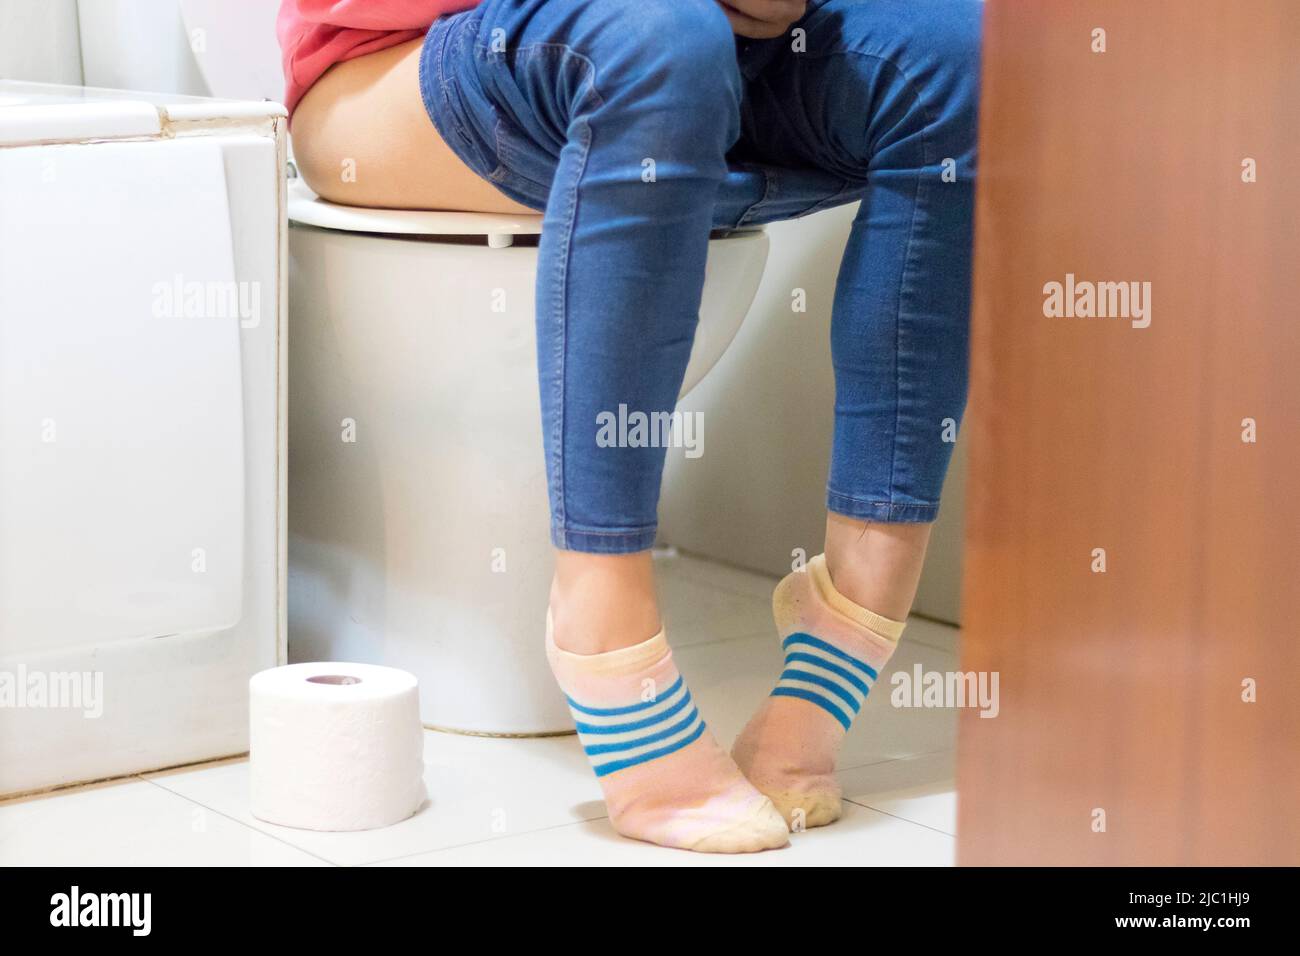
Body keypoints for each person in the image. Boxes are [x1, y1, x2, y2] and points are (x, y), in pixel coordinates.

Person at [281, 0, 981, 852]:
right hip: (394, 69)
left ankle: (850, 626)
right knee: (659, 40)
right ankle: (602, 631)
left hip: (706, 58)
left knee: (968, 58)